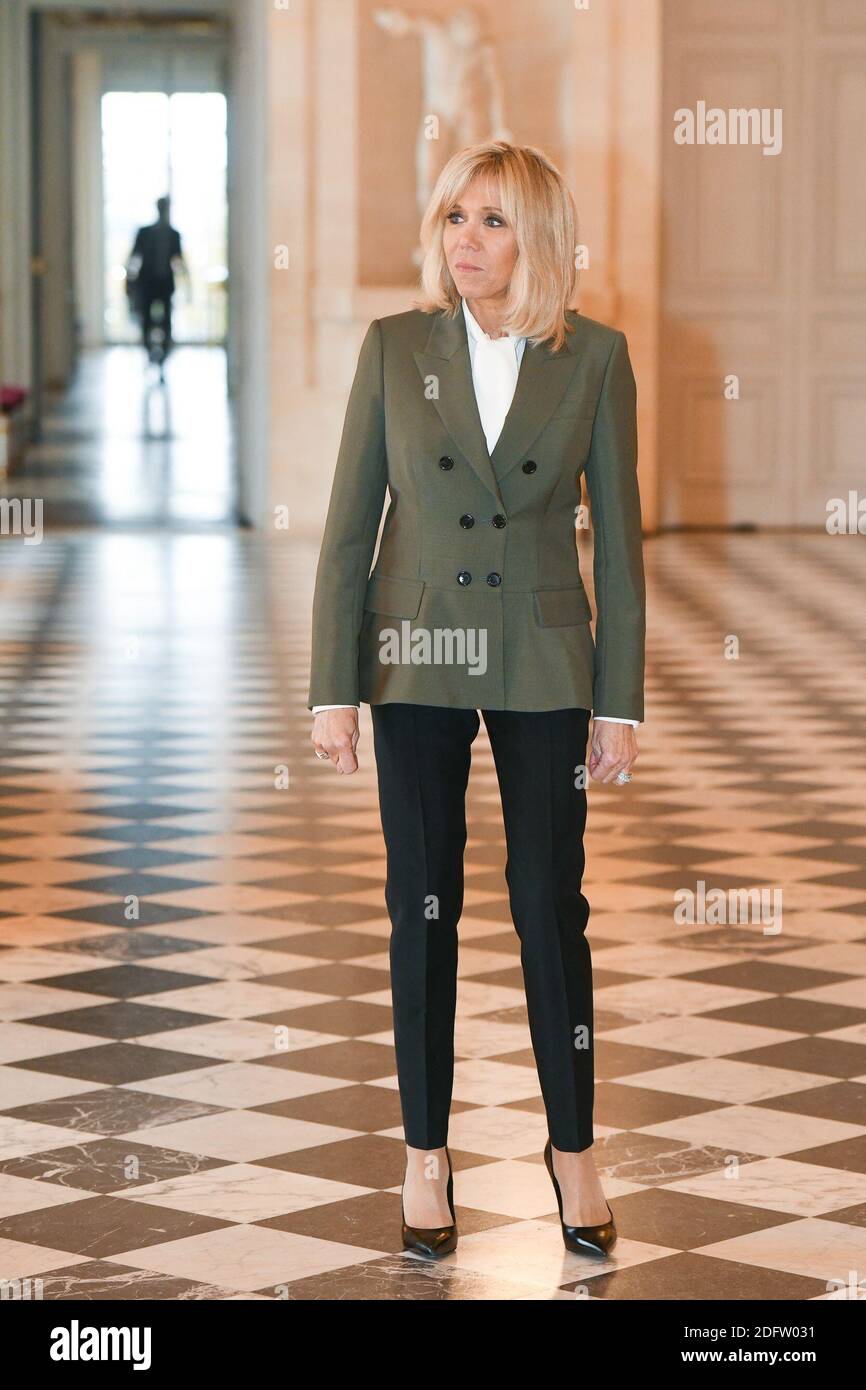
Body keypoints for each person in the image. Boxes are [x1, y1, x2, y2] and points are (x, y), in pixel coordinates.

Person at [307, 140, 645, 1259]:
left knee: (549, 902)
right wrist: (332, 687)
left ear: (537, 237)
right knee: (422, 903)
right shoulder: (394, 348)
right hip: (415, 653)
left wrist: (619, 700)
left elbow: (625, 548)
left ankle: (573, 1147)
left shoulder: (593, 356)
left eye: (493, 220)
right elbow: (350, 523)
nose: (466, 239)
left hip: (544, 658)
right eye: (455, 215)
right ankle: (423, 1151)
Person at [126, 197, 187, 368]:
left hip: (165, 284)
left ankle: (162, 358)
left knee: (166, 321)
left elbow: (179, 261)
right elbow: (134, 257)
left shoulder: (174, 235)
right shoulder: (144, 233)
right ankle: (149, 353)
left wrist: (188, 284)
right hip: (147, 283)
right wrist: (129, 282)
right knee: (146, 319)